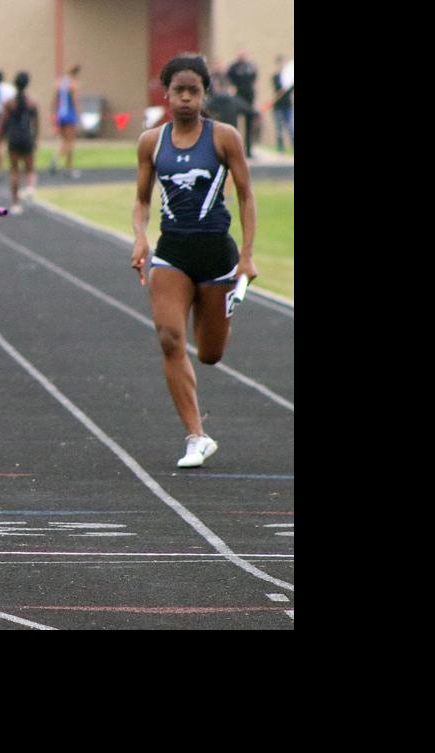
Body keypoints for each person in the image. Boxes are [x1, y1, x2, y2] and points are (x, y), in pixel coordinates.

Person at [129, 55, 258, 469]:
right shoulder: (152, 141)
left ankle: (224, 303)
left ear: (205, 95)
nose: (185, 98)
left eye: (193, 91)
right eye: (178, 90)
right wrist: (140, 237)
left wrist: (247, 256)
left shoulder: (224, 137)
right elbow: (141, 200)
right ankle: (196, 436)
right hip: (172, 252)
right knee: (169, 338)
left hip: (217, 254)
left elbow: (246, 195)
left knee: (209, 354)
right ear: (166, 94)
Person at [0, 70, 39, 213]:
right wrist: (35, 139)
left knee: (14, 170)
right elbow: (36, 125)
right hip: (27, 137)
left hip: (13, 138)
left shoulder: (9, 103)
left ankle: (16, 203)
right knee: (30, 168)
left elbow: (1, 123)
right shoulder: (32, 103)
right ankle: (30, 188)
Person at [225, 51, 259, 158]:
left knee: (249, 127)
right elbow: (228, 80)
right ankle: (236, 149)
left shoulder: (251, 67)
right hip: (237, 99)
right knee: (235, 125)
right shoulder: (233, 68)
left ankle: (249, 151)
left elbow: (255, 81)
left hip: (249, 100)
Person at [48, 65, 80, 177]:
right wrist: (78, 115)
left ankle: (67, 166)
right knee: (70, 142)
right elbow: (75, 101)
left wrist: (53, 115)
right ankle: (58, 159)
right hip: (70, 114)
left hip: (60, 114)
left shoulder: (58, 83)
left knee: (64, 141)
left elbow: (54, 101)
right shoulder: (73, 84)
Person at [271, 55, 294, 152]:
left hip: (288, 105)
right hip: (278, 106)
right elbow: (277, 88)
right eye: (280, 63)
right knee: (279, 128)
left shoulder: (289, 78)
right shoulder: (276, 77)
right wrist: (283, 86)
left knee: (291, 127)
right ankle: (280, 147)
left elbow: (290, 89)